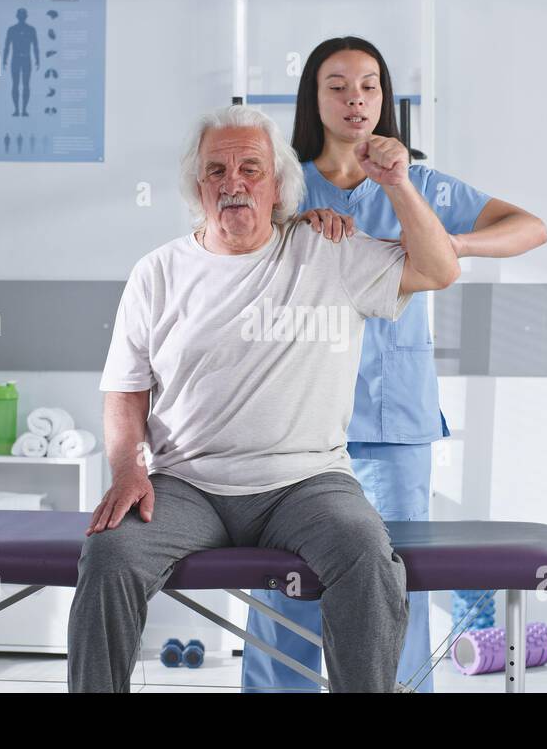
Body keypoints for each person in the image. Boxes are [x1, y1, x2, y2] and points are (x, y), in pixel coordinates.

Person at [66, 103, 461, 693]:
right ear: (198, 187)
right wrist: (128, 468)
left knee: (369, 558)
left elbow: (439, 268)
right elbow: (126, 390)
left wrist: (398, 183)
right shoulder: (157, 272)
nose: (233, 184)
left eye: (251, 169)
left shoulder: (330, 252)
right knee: (109, 558)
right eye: (217, 171)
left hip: (306, 483)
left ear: (278, 185)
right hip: (186, 484)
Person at [243, 36, 547, 693]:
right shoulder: (284, 182)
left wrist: (441, 238)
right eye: (338, 85)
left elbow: (530, 227)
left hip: (393, 419)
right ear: (313, 98)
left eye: (370, 86)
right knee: (285, 579)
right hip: (297, 419)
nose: (356, 98)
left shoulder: (422, 181)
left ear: (385, 99)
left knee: (393, 576)